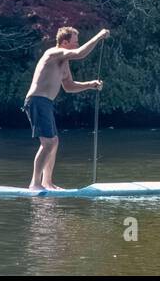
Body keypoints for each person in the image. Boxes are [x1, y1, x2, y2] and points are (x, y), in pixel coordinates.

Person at [22, 26, 107, 191]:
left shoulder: (64, 64)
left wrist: (90, 85)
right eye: (74, 42)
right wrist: (98, 36)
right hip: (36, 101)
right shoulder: (53, 53)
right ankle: (35, 184)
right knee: (48, 143)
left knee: (54, 142)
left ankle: (47, 182)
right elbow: (80, 54)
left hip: (45, 103)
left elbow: (69, 86)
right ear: (64, 42)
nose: (77, 45)